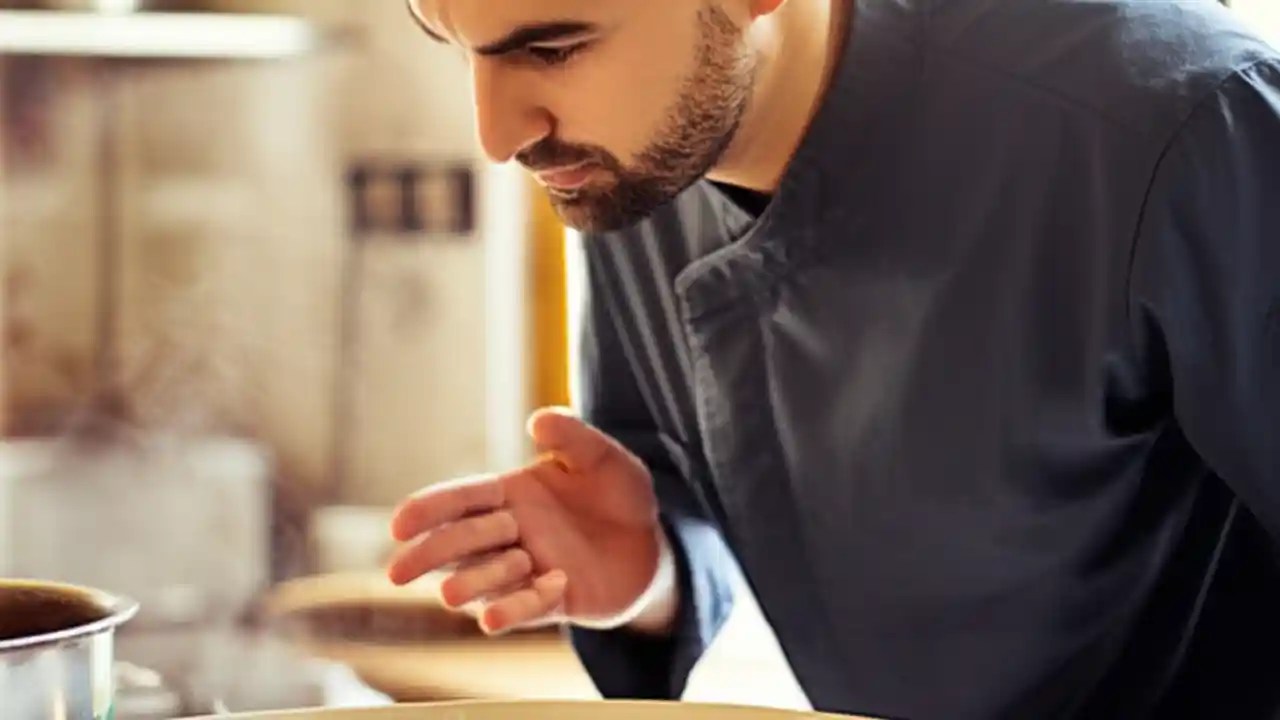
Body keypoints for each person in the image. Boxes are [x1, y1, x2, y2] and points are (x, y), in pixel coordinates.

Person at [385, 0, 1280, 717]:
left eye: (553, 50)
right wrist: (650, 571)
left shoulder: (1176, 120)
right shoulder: (630, 164)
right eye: (457, 48)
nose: (498, 136)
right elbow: (680, 495)